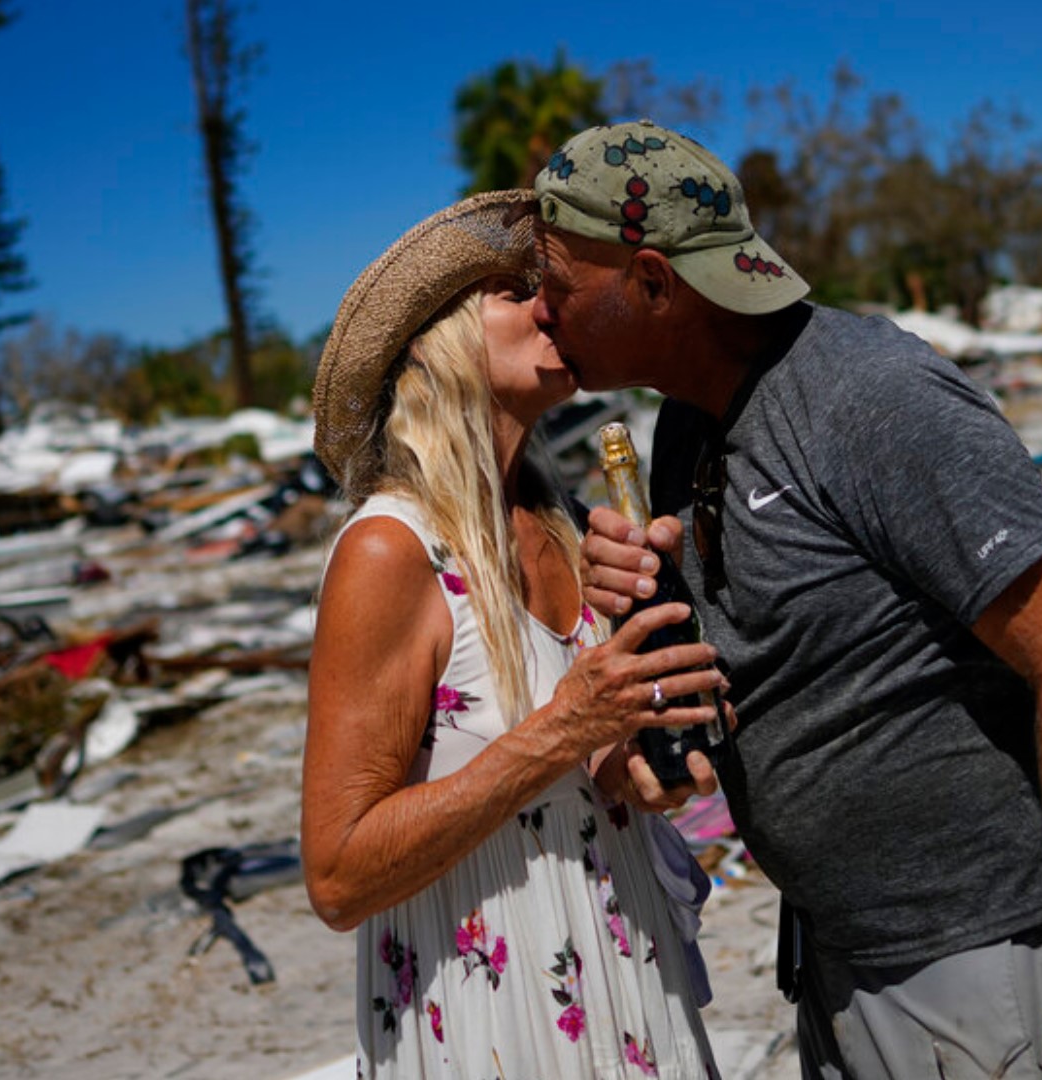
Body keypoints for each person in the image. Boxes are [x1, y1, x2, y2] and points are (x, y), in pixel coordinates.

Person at [529, 121, 1042, 1080]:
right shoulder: (683, 433)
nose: (542, 311)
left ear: (656, 284)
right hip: (838, 958)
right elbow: (770, 661)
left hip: (971, 961)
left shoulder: (874, 398)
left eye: (559, 286)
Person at [304, 189, 728, 1079]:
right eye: (510, 292)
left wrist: (639, 766)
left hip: (621, 964)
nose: (550, 305)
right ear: (433, 342)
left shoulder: (568, 523)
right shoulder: (390, 550)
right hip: (490, 1001)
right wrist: (566, 728)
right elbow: (339, 876)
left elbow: (582, 775)